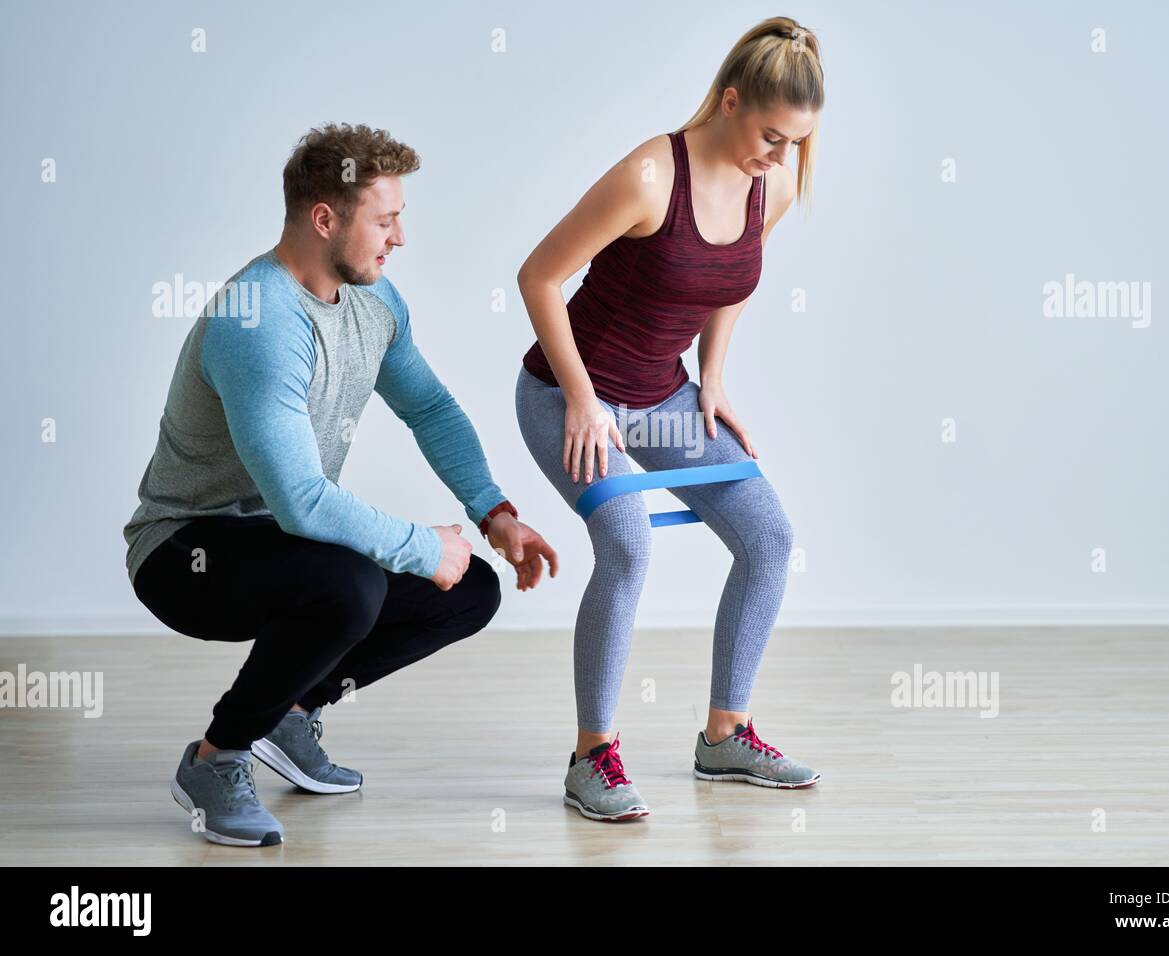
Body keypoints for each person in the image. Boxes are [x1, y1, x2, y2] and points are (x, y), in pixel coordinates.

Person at [124, 123, 558, 846]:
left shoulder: (375, 303)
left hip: (278, 540)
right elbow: (301, 501)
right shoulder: (260, 319)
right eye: (384, 221)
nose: (399, 239)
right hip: (183, 551)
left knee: (470, 590)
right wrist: (423, 544)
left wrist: (494, 514)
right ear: (325, 218)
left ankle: (289, 716)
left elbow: (430, 409)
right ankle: (216, 756)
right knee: (350, 583)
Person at [514, 17, 826, 821]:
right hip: (566, 394)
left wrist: (713, 378)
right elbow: (540, 276)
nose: (779, 156)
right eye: (770, 135)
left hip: (662, 401)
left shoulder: (774, 184)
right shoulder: (652, 175)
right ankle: (593, 758)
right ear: (729, 101)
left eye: (794, 142)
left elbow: (732, 278)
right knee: (628, 541)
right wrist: (582, 398)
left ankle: (726, 735)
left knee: (770, 538)